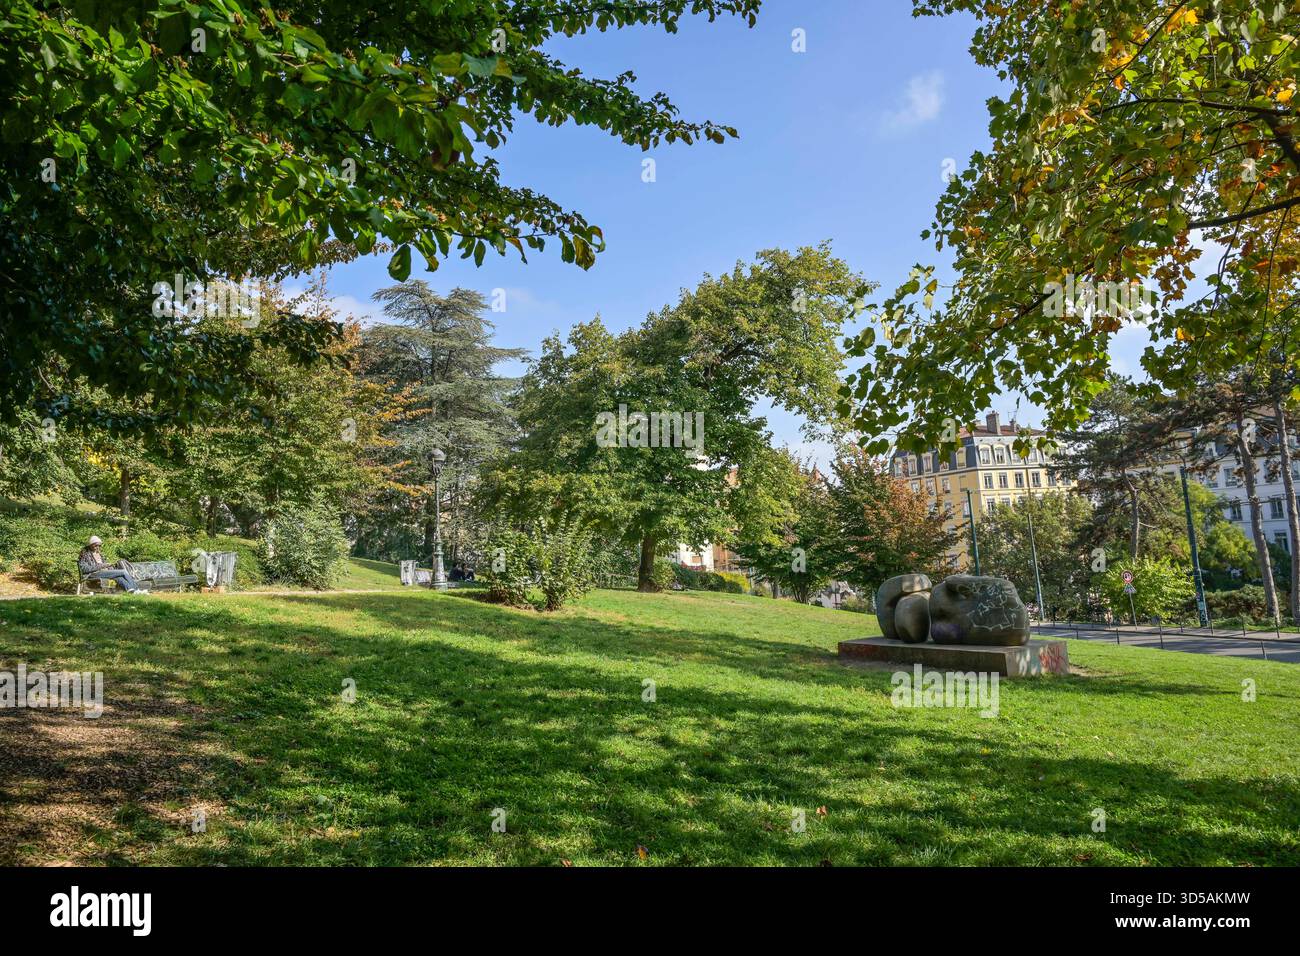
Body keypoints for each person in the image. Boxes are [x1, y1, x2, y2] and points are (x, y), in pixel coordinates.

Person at [78, 536, 148, 594]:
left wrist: (109, 566)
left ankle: (131, 591)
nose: (98, 547)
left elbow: (105, 565)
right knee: (123, 571)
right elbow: (85, 569)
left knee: (119, 577)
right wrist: (102, 566)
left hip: (104, 572)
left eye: (99, 545)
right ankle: (137, 590)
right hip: (93, 574)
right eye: (96, 545)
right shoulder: (85, 555)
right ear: (91, 545)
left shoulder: (99, 554)